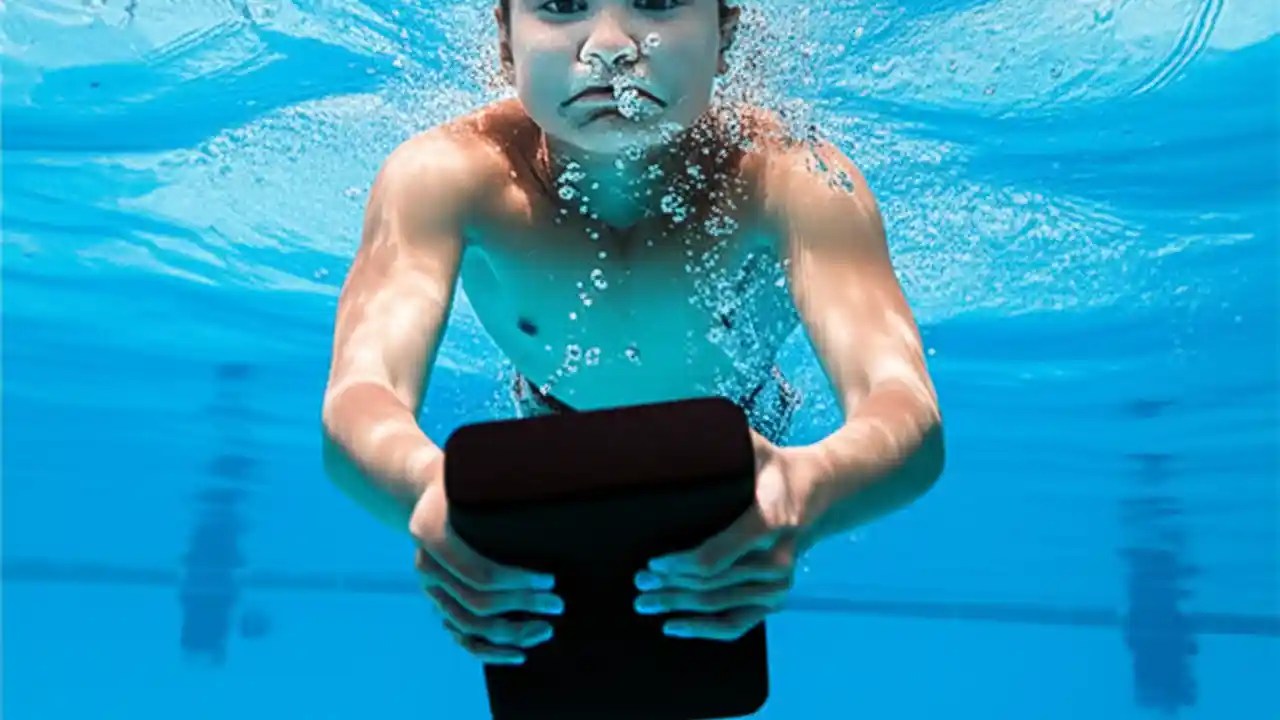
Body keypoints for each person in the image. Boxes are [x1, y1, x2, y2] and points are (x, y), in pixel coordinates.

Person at [321, 0, 945, 667]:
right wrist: (427, 485)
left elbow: (905, 408)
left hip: (747, 439)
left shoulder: (798, 182)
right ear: (505, 41)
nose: (611, 47)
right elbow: (362, 394)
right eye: (561, 5)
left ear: (724, 33)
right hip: (550, 428)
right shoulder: (442, 177)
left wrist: (808, 486)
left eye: (657, 0)